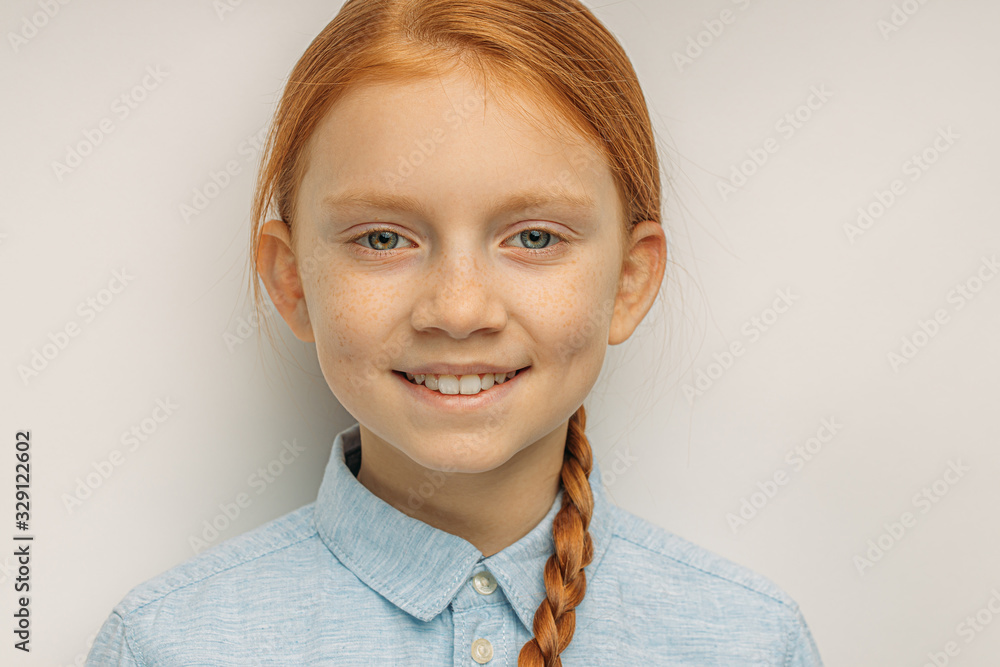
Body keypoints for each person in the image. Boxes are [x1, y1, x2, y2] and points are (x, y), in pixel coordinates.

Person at [88, 0, 824, 664]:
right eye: (382, 239)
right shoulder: (168, 642)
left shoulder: (751, 640)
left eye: (534, 238)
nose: (460, 308)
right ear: (292, 279)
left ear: (629, 281)